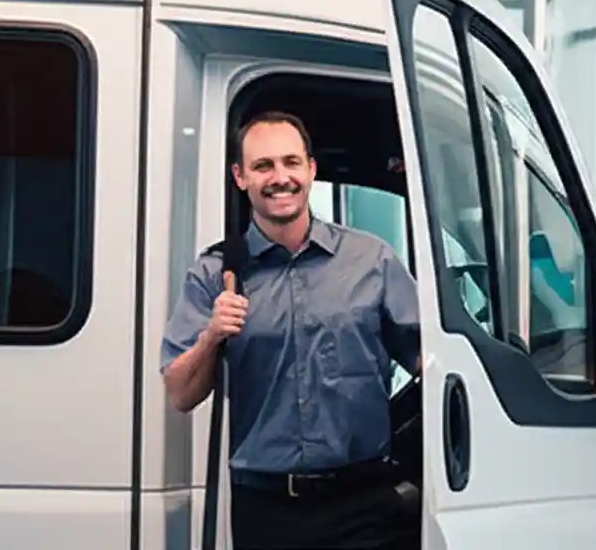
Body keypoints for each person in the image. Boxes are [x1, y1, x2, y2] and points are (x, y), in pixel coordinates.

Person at [160, 110, 421, 550]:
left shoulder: (372, 260)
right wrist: (211, 335)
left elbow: (430, 363)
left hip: (365, 506)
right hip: (268, 513)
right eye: (263, 166)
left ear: (311, 170)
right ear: (240, 177)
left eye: (290, 162)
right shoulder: (214, 273)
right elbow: (181, 394)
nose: (280, 177)